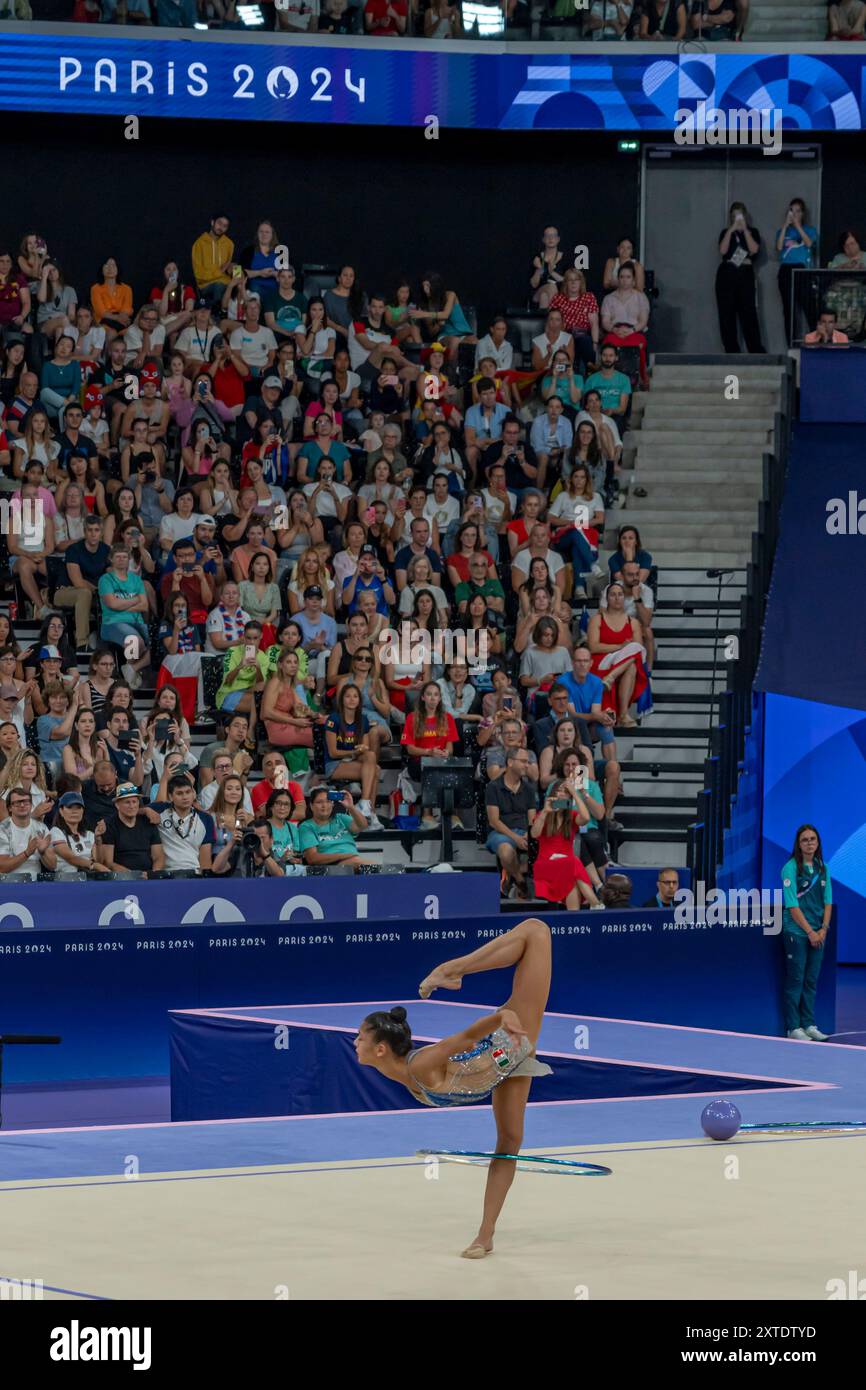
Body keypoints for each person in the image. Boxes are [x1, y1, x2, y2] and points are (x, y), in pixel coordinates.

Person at [355, 916, 554, 1257]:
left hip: (510, 1038)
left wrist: (501, 1018)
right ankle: (486, 1236)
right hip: (502, 1069)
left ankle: (453, 968)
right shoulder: (401, 1073)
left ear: (380, 1049)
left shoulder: (419, 1065)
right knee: (508, 1142)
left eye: (360, 1037)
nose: (354, 1041)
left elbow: (465, 1038)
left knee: (537, 930)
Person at [781, 825, 833, 1041]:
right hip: (797, 932)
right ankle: (793, 1028)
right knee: (796, 979)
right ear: (798, 844)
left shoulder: (823, 868)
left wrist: (823, 929)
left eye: (813, 839)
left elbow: (828, 901)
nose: (809, 843)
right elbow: (792, 906)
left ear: (818, 842)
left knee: (811, 980)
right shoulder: (790, 868)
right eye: (805, 840)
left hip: (818, 933)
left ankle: (809, 1024)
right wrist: (811, 932)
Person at [529, 777, 599, 908]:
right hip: (546, 863)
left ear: (569, 798)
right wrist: (545, 811)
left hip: (566, 864)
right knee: (574, 861)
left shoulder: (571, 816)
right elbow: (534, 834)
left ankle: (573, 921)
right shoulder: (543, 814)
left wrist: (574, 793)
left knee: (571, 883)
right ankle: (595, 902)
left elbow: (586, 817)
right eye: (558, 791)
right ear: (552, 794)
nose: (561, 794)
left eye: (565, 792)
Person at [485, 746, 537, 899]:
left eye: (527, 762)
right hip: (501, 832)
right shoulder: (493, 787)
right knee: (506, 852)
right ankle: (521, 882)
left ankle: (509, 876)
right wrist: (516, 838)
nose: (527, 765)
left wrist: (528, 834)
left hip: (525, 831)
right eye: (523, 761)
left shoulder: (528, 788)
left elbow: (532, 819)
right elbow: (494, 821)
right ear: (510, 762)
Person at [716, 202, 765, 355]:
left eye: (739, 215)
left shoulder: (753, 232)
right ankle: (731, 350)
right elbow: (723, 251)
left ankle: (755, 349)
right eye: (734, 216)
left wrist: (744, 230)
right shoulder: (726, 232)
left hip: (745, 274)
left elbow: (754, 249)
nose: (737, 219)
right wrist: (731, 230)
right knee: (726, 314)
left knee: (748, 313)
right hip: (727, 273)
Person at [776, 198, 818, 343]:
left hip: (802, 270)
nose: (794, 214)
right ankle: (791, 343)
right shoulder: (783, 231)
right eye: (792, 211)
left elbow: (809, 243)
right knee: (789, 309)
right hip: (786, 270)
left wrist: (798, 226)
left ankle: (815, 341)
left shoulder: (810, 230)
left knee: (809, 307)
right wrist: (785, 226)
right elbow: (779, 247)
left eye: (798, 211)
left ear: (802, 213)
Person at [298, 784, 371, 870]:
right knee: (372, 868)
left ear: (332, 804)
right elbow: (312, 858)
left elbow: (362, 825)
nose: (324, 805)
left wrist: (351, 807)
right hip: (330, 866)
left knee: (375, 868)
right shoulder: (306, 826)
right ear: (311, 806)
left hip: (354, 861)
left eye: (328, 801)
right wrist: (344, 856)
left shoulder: (341, 818)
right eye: (319, 802)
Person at [153, 774, 215, 873]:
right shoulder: (160, 810)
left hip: (194, 872)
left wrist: (204, 879)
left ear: (193, 793)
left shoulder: (206, 818)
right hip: (166, 873)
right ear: (170, 796)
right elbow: (136, 809)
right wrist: (146, 811)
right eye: (179, 793)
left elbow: (205, 858)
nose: (185, 797)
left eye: (188, 792)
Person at [0, 785, 57, 877]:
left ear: (31, 805)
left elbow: (53, 865)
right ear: (10, 807)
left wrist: (43, 852)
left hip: (34, 883)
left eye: (26, 802)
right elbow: (2, 867)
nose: (22, 805)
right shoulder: (2, 829)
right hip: (8, 883)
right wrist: (27, 853)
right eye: (17, 802)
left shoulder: (41, 828)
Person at [50, 789, 110, 877]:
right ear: (61, 811)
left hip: (88, 879)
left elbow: (99, 861)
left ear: (83, 811)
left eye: (78, 808)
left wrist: (98, 839)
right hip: (66, 880)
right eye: (70, 807)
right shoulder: (56, 832)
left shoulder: (89, 834)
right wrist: (92, 865)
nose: (74, 811)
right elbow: (70, 858)